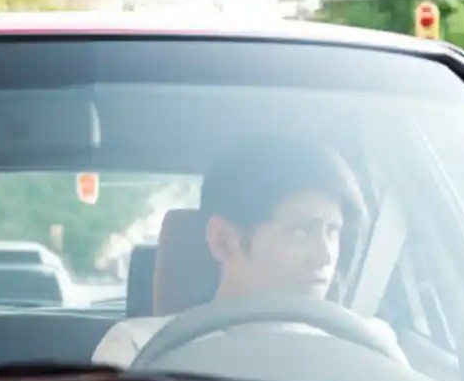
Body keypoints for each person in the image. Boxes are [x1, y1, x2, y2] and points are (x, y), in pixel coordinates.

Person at [92, 136, 407, 368]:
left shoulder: (371, 344)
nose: (325, 256)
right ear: (224, 240)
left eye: (332, 231)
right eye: (300, 231)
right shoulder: (136, 350)